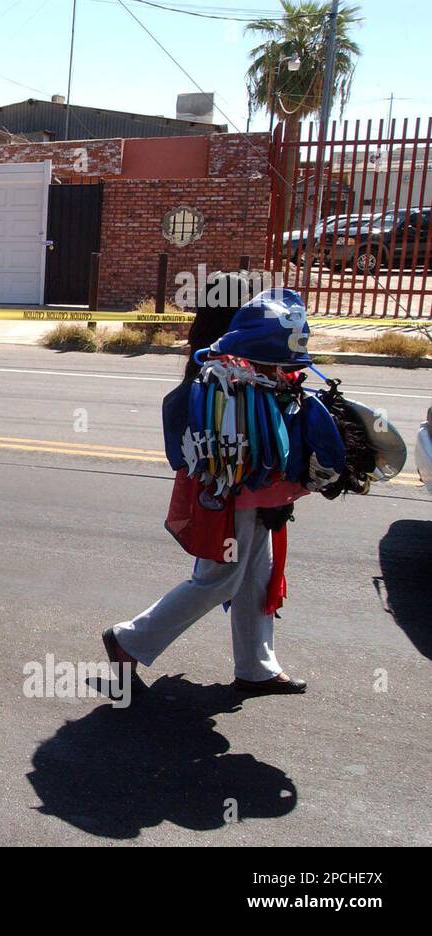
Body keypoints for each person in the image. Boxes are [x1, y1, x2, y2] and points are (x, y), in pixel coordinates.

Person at [103, 273, 315, 696]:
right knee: (221, 577)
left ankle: (257, 667)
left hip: (244, 492)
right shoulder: (228, 367)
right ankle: (129, 639)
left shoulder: (222, 357)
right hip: (232, 493)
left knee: (257, 573)